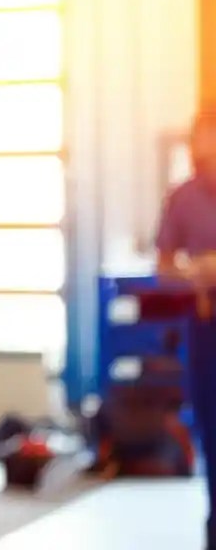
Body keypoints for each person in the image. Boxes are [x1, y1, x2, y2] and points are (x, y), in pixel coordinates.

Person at [156, 111, 216, 548]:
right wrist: (193, 272)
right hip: (205, 323)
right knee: (210, 426)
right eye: (202, 139)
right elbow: (163, 269)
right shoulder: (183, 199)